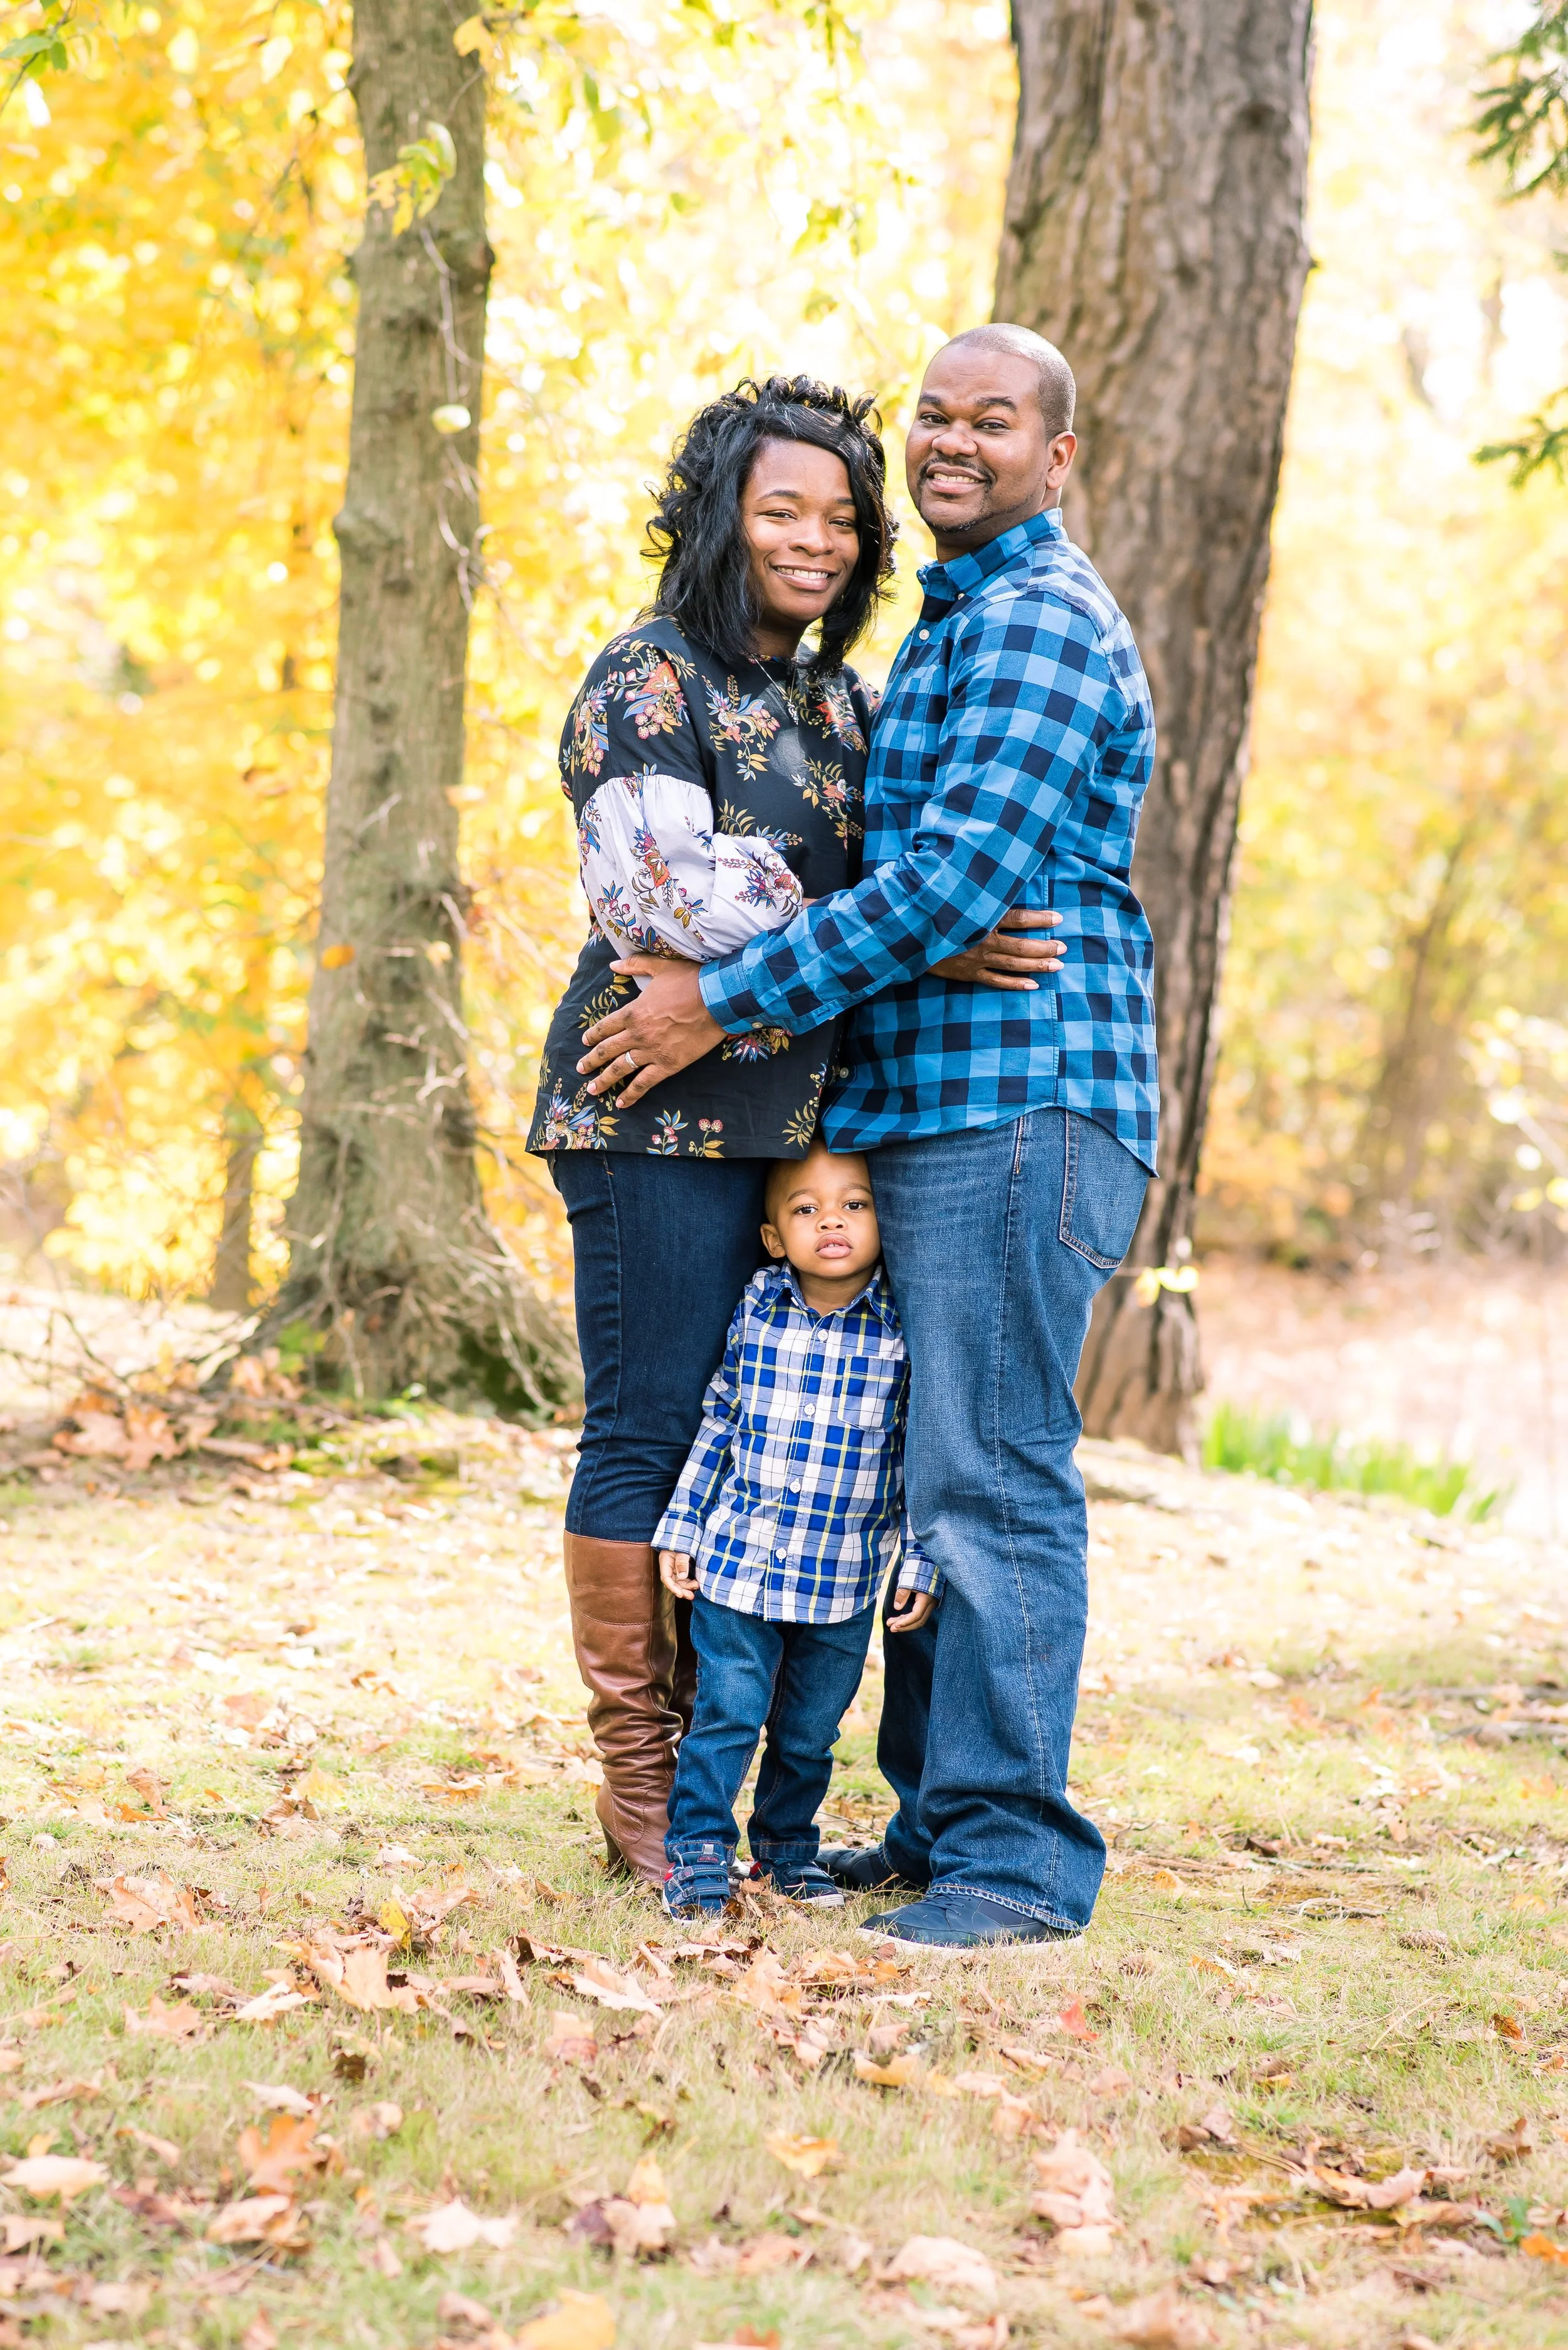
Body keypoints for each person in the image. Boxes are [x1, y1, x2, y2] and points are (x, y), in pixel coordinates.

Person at [570, 325, 1158, 1951]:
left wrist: (731, 992)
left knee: (991, 1480)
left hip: (1019, 1099)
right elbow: (910, 888)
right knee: (936, 1476)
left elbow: (956, 887)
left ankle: (1012, 1864)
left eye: (997, 421)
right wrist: (905, 919)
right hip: (918, 1106)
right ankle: (928, 1819)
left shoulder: (1034, 625)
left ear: (1058, 455)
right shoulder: (928, 642)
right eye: (937, 416)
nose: (955, 442)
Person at [654, 1139, 936, 1917]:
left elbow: (920, 1455)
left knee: (809, 1732)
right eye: (806, 1209)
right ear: (776, 1236)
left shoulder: (902, 1331)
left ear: (884, 1220)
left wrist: (919, 1558)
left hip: (843, 1578)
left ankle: (783, 1852)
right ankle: (698, 1853)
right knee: (727, 1715)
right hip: (738, 1564)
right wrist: (683, 1522)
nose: (832, 1221)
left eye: (854, 1203)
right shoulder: (756, 1304)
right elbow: (720, 1419)